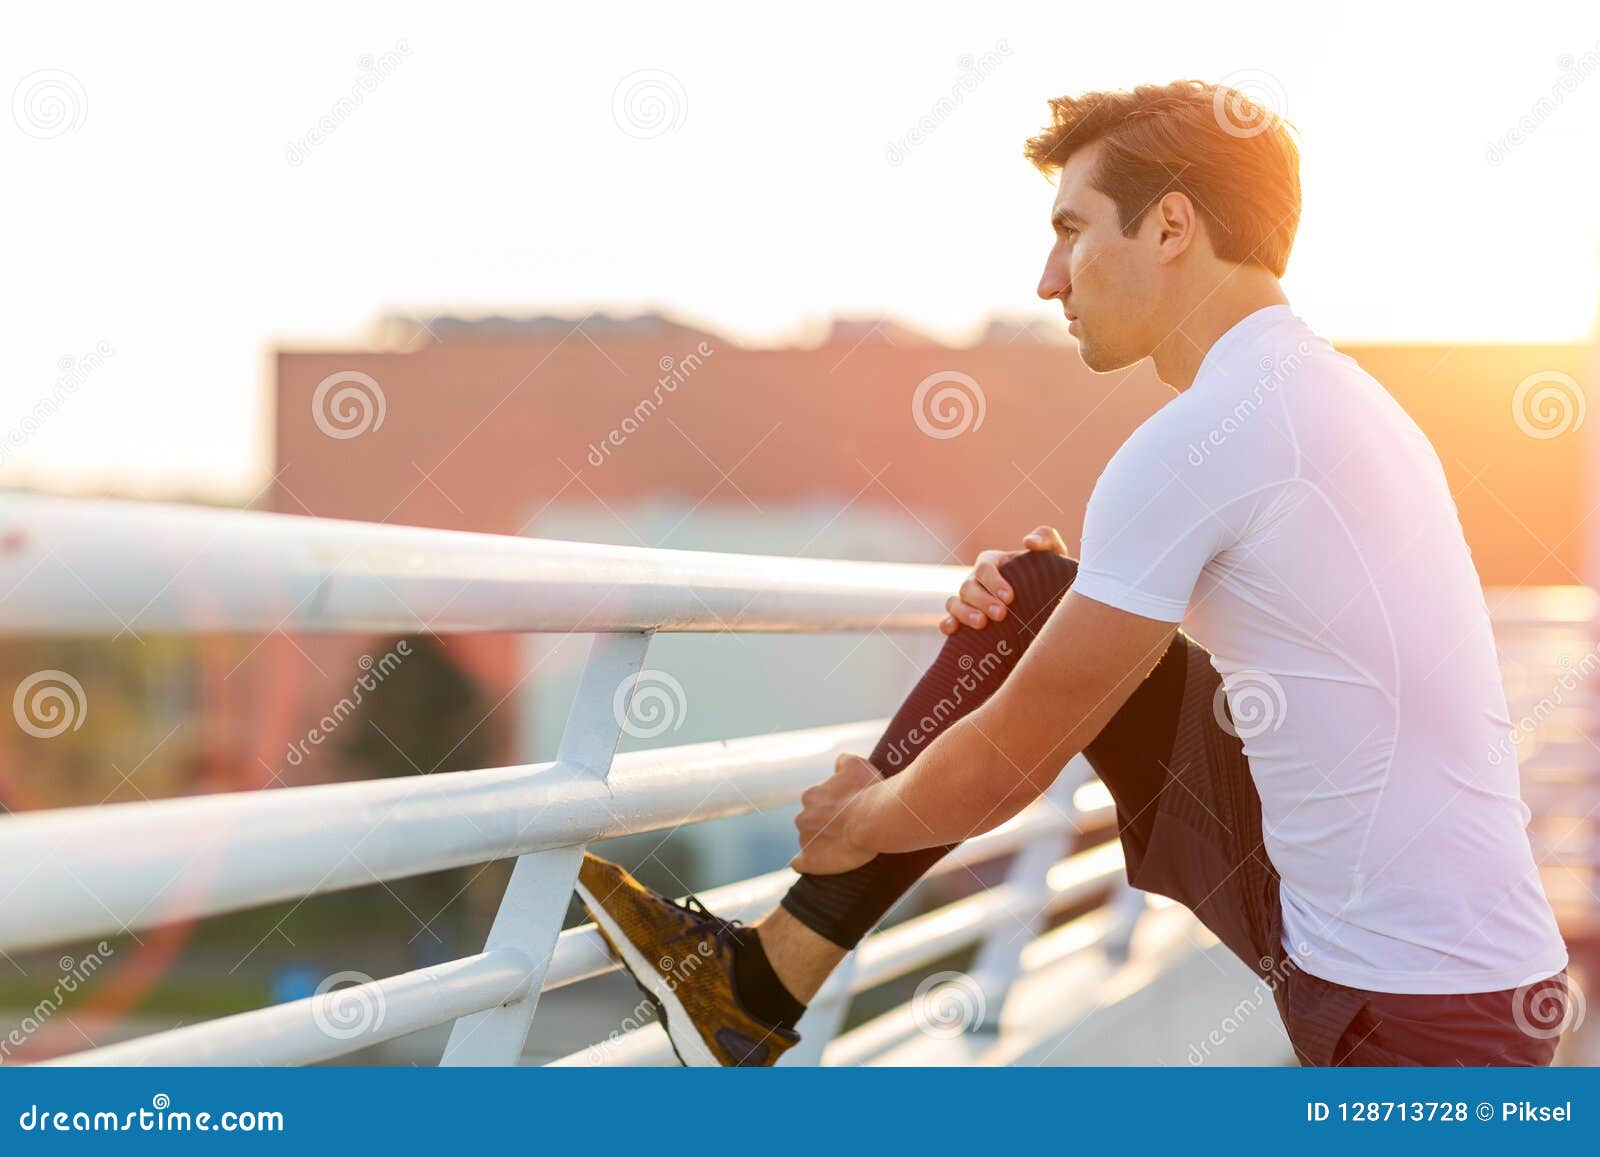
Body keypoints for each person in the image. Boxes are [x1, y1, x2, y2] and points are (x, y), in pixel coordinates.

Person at [575, 79, 1572, 1067]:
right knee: (1037, 598)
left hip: (1416, 1010)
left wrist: (855, 819)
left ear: (1171, 226)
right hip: (1425, 952)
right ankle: (756, 985)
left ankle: (755, 986)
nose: (1050, 278)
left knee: (1037, 628)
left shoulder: (1207, 437)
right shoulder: (1325, 395)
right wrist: (1042, 613)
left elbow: (1016, 751)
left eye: (1071, 229)